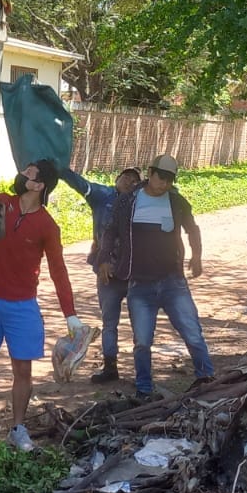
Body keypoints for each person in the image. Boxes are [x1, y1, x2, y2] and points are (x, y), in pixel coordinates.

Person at [0, 159, 83, 450]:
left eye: (28, 173)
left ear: (39, 185)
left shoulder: (47, 225)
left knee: (23, 370)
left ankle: (18, 428)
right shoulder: (2, 204)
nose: (21, 174)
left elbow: (58, 270)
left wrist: (71, 315)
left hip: (22, 305)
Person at [96, 154, 215, 397]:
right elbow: (110, 232)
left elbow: (193, 230)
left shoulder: (177, 202)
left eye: (170, 179)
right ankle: (144, 388)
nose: (164, 183)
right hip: (139, 285)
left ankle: (206, 378)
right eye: (161, 177)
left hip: (173, 282)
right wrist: (104, 259)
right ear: (151, 173)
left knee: (192, 332)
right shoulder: (128, 201)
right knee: (142, 341)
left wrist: (197, 256)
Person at [60, 164, 143, 382]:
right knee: (109, 322)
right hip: (106, 272)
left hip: (135, 273)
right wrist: (62, 170)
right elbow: (80, 184)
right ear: (116, 179)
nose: (129, 181)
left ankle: (143, 371)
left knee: (140, 323)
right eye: (125, 176)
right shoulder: (102, 195)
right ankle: (110, 367)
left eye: (134, 180)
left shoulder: (143, 202)